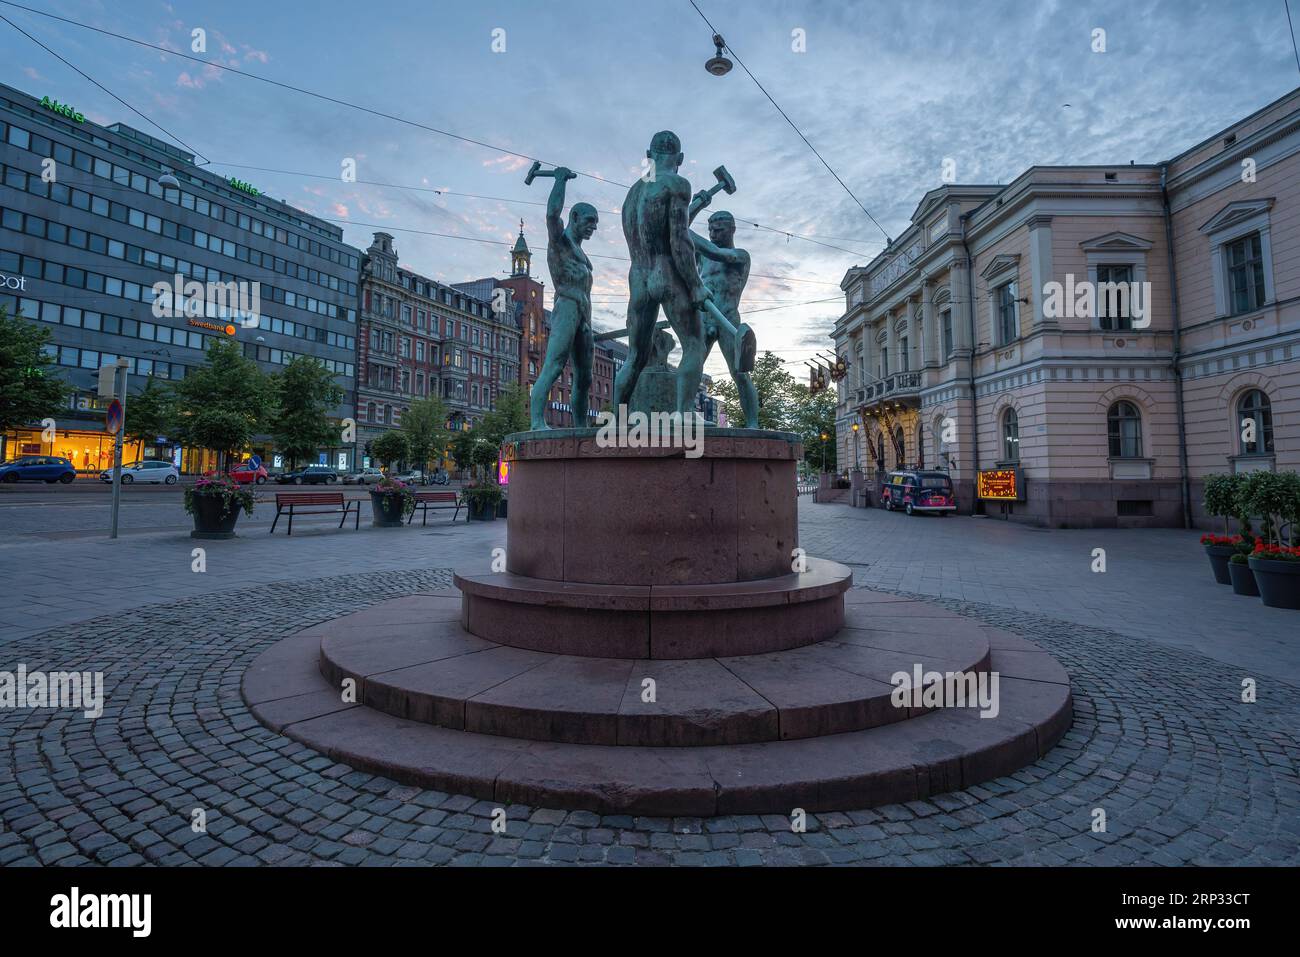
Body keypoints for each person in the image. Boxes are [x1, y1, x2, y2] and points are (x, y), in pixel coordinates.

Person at [614, 131, 711, 417]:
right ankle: (682, 416)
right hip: (666, 271)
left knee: (635, 356)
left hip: (638, 276)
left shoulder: (632, 194)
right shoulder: (677, 183)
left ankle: (617, 420)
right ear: (680, 159)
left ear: (648, 155)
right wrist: (695, 285)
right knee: (694, 344)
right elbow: (679, 239)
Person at [529, 168, 597, 430]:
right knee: (555, 365)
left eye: (596, 224)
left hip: (584, 316)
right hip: (567, 306)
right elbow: (551, 214)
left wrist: (587, 321)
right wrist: (560, 181)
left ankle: (580, 426)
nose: (593, 227)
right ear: (575, 216)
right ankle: (537, 422)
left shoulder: (581, 252)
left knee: (585, 376)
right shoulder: (560, 242)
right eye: (589, 221)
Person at [687, 193, 759, 428]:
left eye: (719, 230)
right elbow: (677, 229)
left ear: (732, 230)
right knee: (692, 366)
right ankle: (686, 413)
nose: (713, 235)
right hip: (704, 316)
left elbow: (715, 252)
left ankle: (752, 423)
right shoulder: (701, 256)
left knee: (740, 373)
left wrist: (689, 232)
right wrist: (696, 205)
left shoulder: (740, 256)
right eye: (711, 230)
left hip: (728, 318)